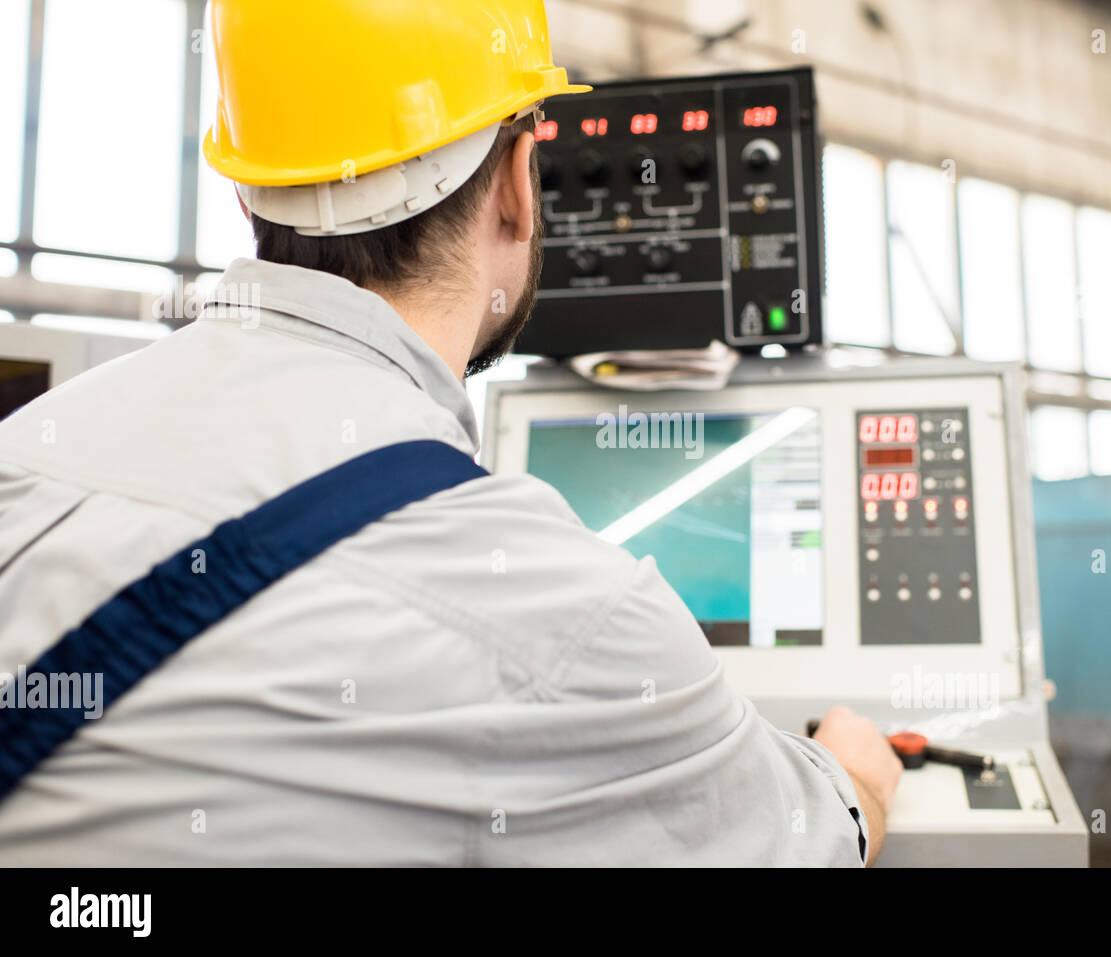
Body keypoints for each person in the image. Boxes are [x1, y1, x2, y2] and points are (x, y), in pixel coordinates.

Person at [0, 0, 900, 866]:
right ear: (516, 184)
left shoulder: (26, 452)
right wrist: (855, 772)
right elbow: (800, 831)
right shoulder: (564, 610)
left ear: (247, 193)